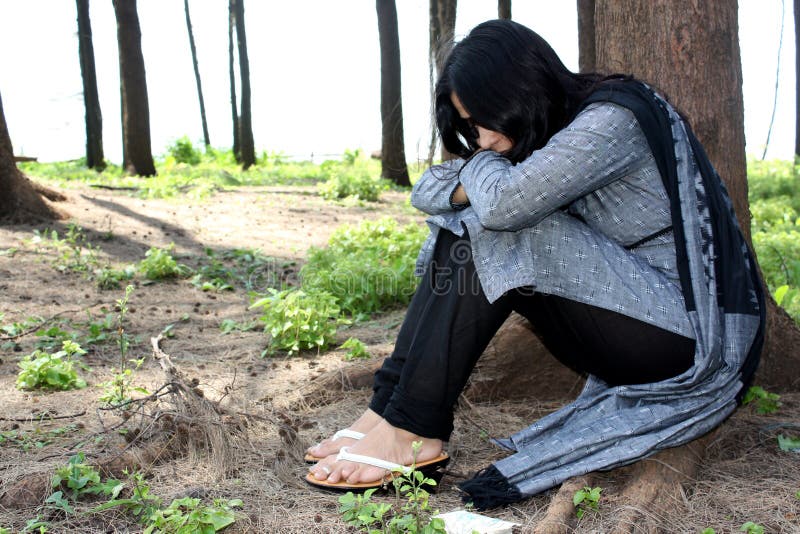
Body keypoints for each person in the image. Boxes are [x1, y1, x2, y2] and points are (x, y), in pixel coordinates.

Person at [305, 19, 765, 509]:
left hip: (687, 339)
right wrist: (482, 177)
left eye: (481, 120)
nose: (479, 138)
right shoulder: (545, 132)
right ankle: (387, 411)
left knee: (498, 223)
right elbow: (429, 189)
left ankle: (415, 429)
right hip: (629, 320)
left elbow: (504, 207)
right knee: (473, 220)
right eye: (468, 127)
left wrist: (477, 173)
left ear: (514, 90)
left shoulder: (610, 122)